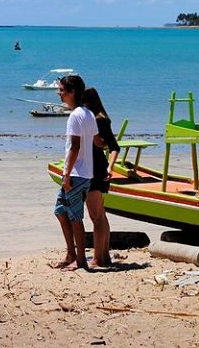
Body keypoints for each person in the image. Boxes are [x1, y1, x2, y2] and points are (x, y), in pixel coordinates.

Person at [52, 74, 98, 271]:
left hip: (77, 174)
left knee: (75, 217)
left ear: (72, 92)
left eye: (62, 90)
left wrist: (66, 174)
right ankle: (71, 253)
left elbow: (75, 147)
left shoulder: (76, 116)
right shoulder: (88, 114)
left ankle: (80, 260)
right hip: (83, 172)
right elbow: (96, 140)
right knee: (60, 211)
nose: (59, 94)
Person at [82, 87, 120, 267]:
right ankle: (104, 255)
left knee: (96, 215)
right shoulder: (102, 118)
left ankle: (99, 258)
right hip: (101, 168)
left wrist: (110, 167)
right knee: (101, 214)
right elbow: (114, 147)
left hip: (94, 170)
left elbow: (113, 146)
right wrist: (110, 167)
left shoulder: (97, 120)